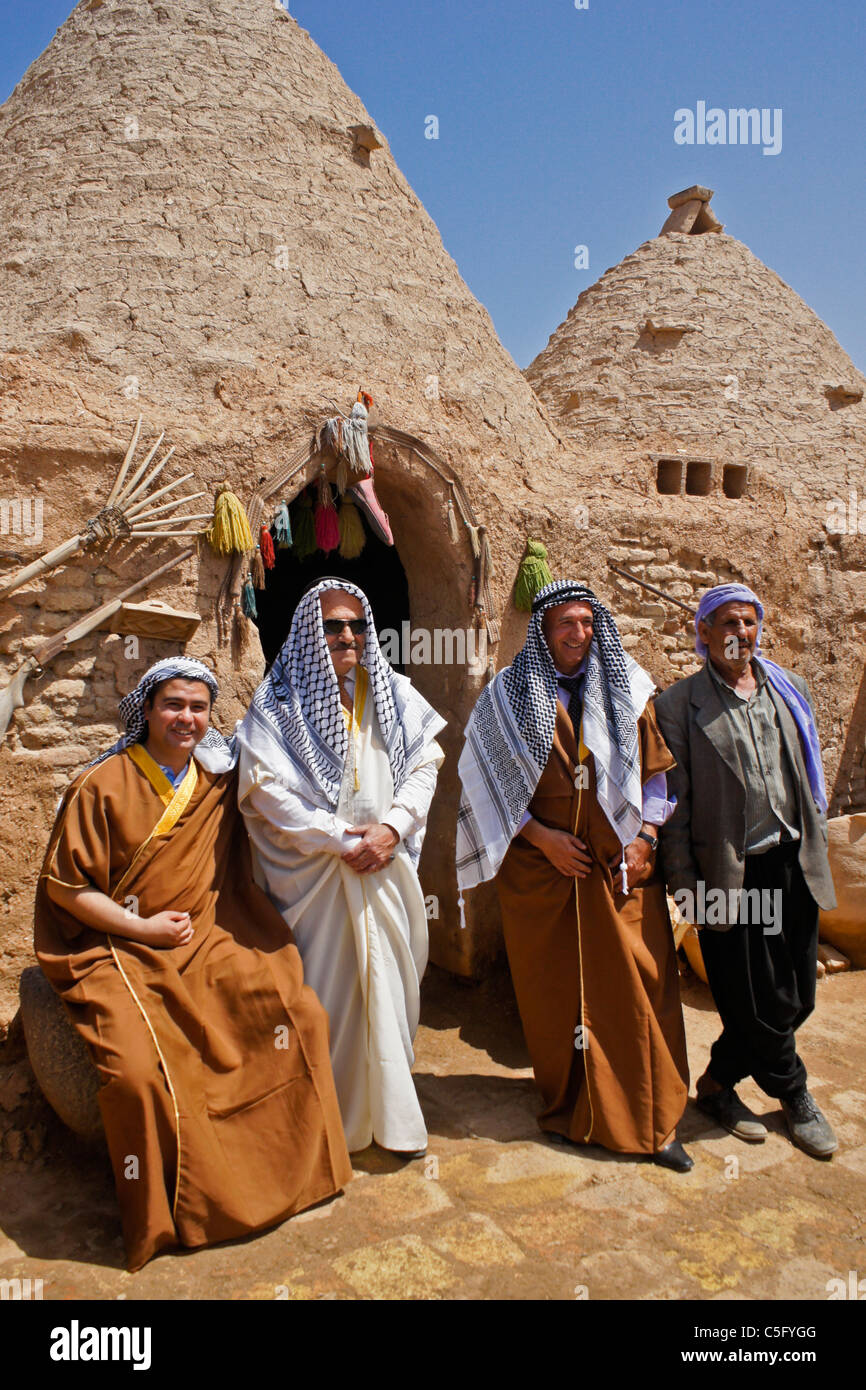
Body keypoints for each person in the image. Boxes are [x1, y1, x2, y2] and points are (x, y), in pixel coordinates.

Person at [35, 657, 352, 1271]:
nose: (186, 718)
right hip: (115, 948)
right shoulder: (101, 784)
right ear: (147, 712)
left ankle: (301, 1174)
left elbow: (288, 780)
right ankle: (168, 1216)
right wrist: (140, 926)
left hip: (207, 936)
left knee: (299, 1016)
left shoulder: (218, 781)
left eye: (199, 708)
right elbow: (68, 891)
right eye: (173, 705)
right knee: (137, 1073)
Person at [457, 579, 691, 1171]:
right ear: (542, 629)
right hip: (543, 872)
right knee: (555, 995)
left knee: (638, 989)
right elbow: (486, 788)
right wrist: (542, 837)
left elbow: (657, 783)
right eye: (565, 622)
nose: (578, 634)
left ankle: (651, 1122)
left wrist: (645, 839)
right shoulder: (507, 696)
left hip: (619, 873)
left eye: (587, 622)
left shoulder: (628, 689)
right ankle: (570, 1108)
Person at [236, 579, 446, 1157]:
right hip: (317, 879)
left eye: (356, 625)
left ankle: (392, 1118)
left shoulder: (394, 694)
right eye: (332, 627)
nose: (347, 636)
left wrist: (392, 829)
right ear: (310, 633)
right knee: (325, 997)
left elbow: (425, 765)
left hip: (384, 867)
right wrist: (337, 839)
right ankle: (330, 1125)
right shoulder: (279, 705)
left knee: (392, 992)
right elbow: (265, 790)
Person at [654, 584, 838, 1159]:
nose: (740, 632)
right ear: (703, 632)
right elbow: (674, 806)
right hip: (729, 876)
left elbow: (808, 780)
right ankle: (796, 1095)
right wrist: (685, 887)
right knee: (749, 1000)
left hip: (793, 862)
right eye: (727, 622)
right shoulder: (679, 706)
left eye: (749, 622)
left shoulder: (790, 691)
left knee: (797, 997)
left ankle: (716, 1085)